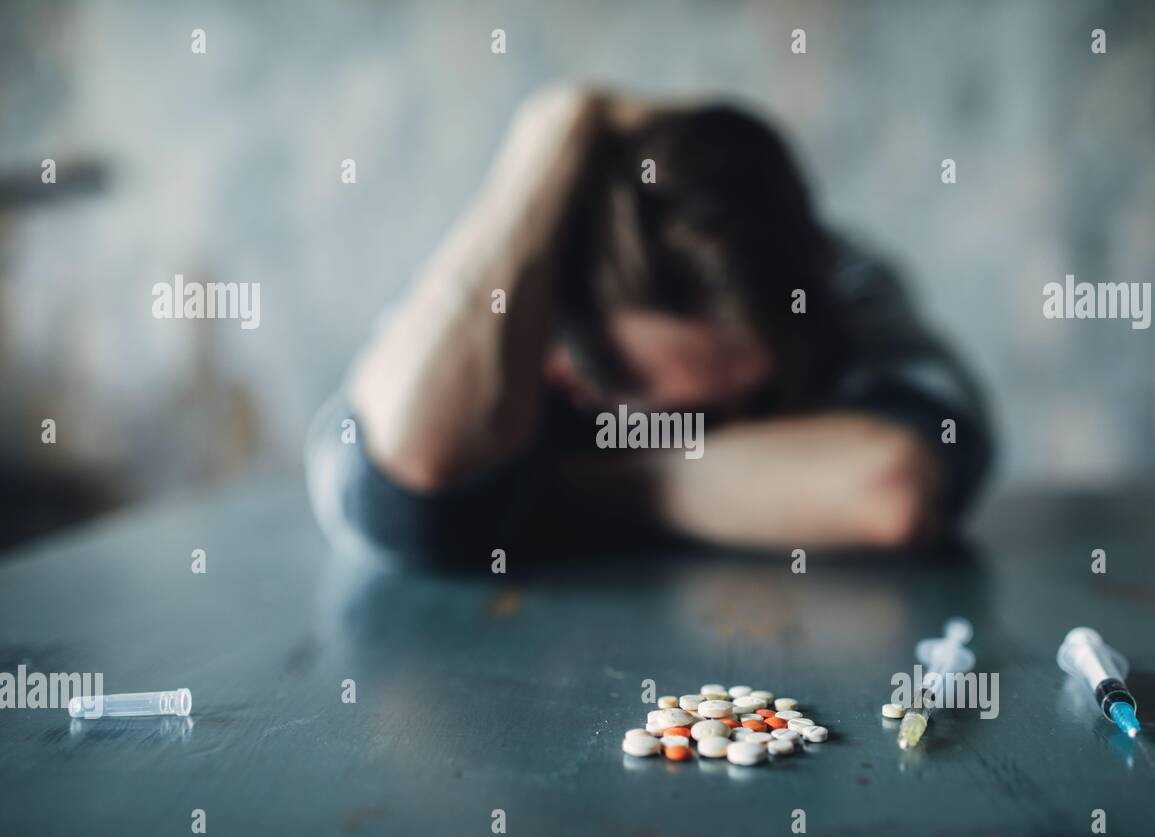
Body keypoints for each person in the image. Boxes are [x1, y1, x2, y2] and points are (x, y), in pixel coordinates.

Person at [306, 87, 992, 567]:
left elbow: (894, 488)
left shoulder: (827, 274)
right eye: (675, 410)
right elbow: (407, 490)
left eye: (752, 403)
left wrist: (547, 488)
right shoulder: (500, 292)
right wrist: (557, 129)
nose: (723, 433)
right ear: (561, 364)